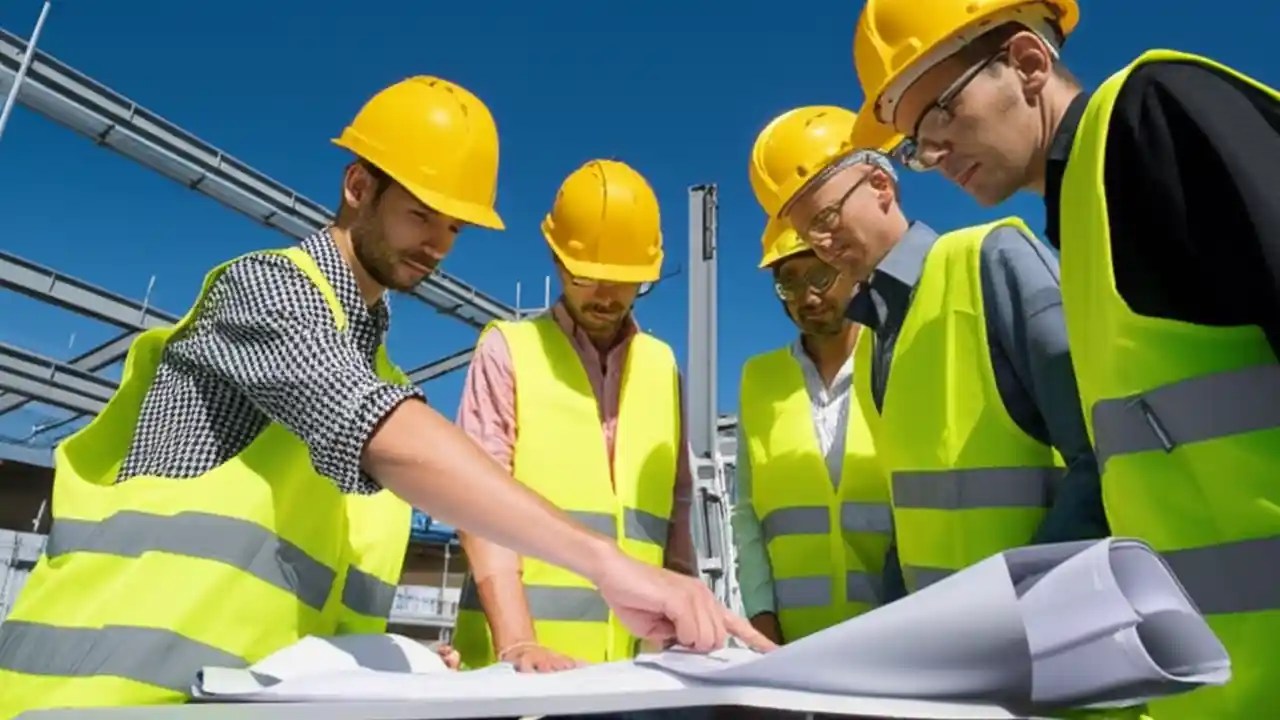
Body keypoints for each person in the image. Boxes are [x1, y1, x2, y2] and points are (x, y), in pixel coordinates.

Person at [0, 77, 771, 718]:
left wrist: (379, 656)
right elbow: (378, 430)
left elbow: (301, 579)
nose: (437, 244)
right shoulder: (266, 292)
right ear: (357, 186)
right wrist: (603, 564)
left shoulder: (389, 380)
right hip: (98, 694)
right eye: (420, 215)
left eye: (454, 227)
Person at [844, 1, 1279, 716]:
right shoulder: (1081, 232)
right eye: (918, 142)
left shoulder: (1154, 115)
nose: (935, 153)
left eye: (943, 114)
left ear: (1027, 63)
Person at [750, 104, 1106, 603]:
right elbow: (910, 521)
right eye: (810, 232)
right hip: (949, 651)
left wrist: (1026, 606)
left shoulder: (992, 260)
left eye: (827, 216)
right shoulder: (874, 337)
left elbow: (1107, 454)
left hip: (1036, 643)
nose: (824, 244)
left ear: (880, 185)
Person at [450, 158, 699, 675]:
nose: (607, 296)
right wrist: (518, 645)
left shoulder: (663, 365)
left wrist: (685, 641)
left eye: (626, 281)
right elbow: (476, 504)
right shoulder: (507, 350)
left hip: (636, 673)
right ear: (558, 260)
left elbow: (676, 518)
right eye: (588, 278)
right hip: (517, 670)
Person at [733, 154, 892, 647]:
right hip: (794, 647)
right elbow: (747, 517)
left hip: (898, 634)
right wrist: (762, 620)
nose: (806, 296)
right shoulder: (759, 379)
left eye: (818, 275)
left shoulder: (895, 354)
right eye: (789, 282)